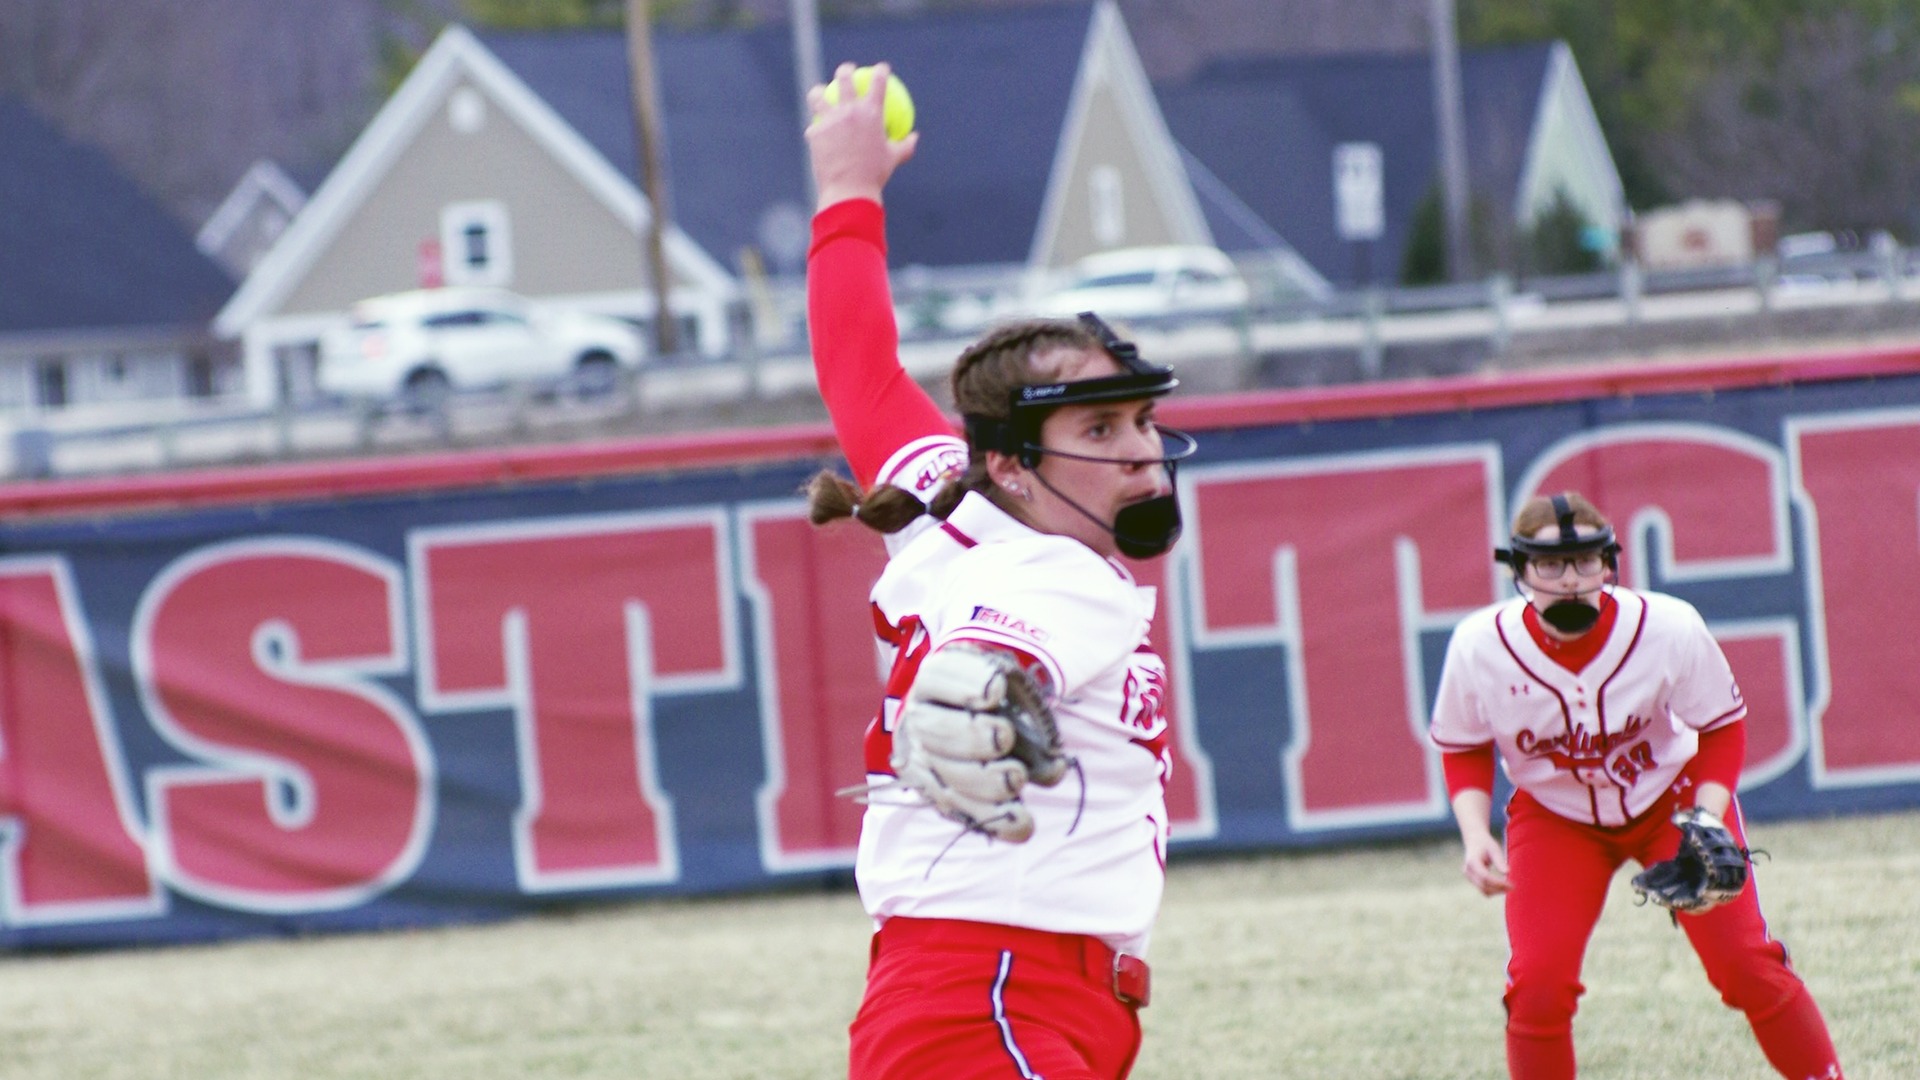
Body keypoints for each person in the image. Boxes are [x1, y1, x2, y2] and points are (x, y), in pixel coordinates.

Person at [803, 62, 1194, 1080]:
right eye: (1100, 428)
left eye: (1142, 420)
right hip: (992, 993)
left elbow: (862, 369)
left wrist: (849, 198)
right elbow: (991, 650)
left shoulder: (949, 501)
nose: (1140, 451)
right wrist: (977, 683)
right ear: (1016, 465)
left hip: (995, 988)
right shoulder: (1057, 579)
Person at [1430, 491, 1844, 1080]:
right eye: (1550, 564)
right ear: (1520, 571)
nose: (1570, 580)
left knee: (1746, 964)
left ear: (1610, 565)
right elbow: (1464, 744)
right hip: (1556, 817)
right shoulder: (1480, 645)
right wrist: (1475, 835)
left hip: (1670, 805)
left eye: (1586, 561)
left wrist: (1706, 817)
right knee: (1538, 988)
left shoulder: (1667, 626)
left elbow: (1721, 727)